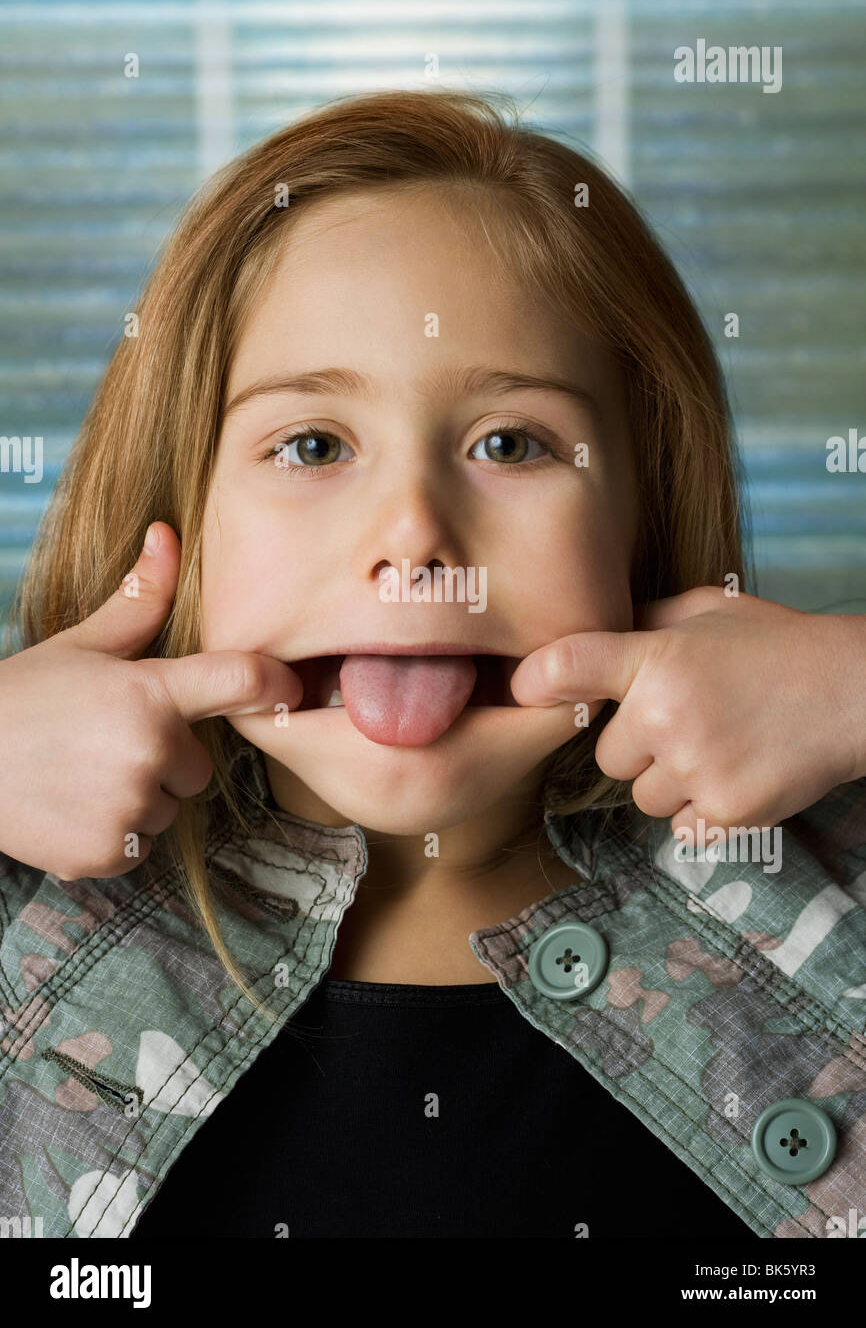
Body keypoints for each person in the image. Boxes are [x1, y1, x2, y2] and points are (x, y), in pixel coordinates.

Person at [0, 88, 863, 1240]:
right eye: (311, 445)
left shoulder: (819, 860)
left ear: (639, 522)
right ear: (179, 516)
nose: (412, 533)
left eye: (508, 443)